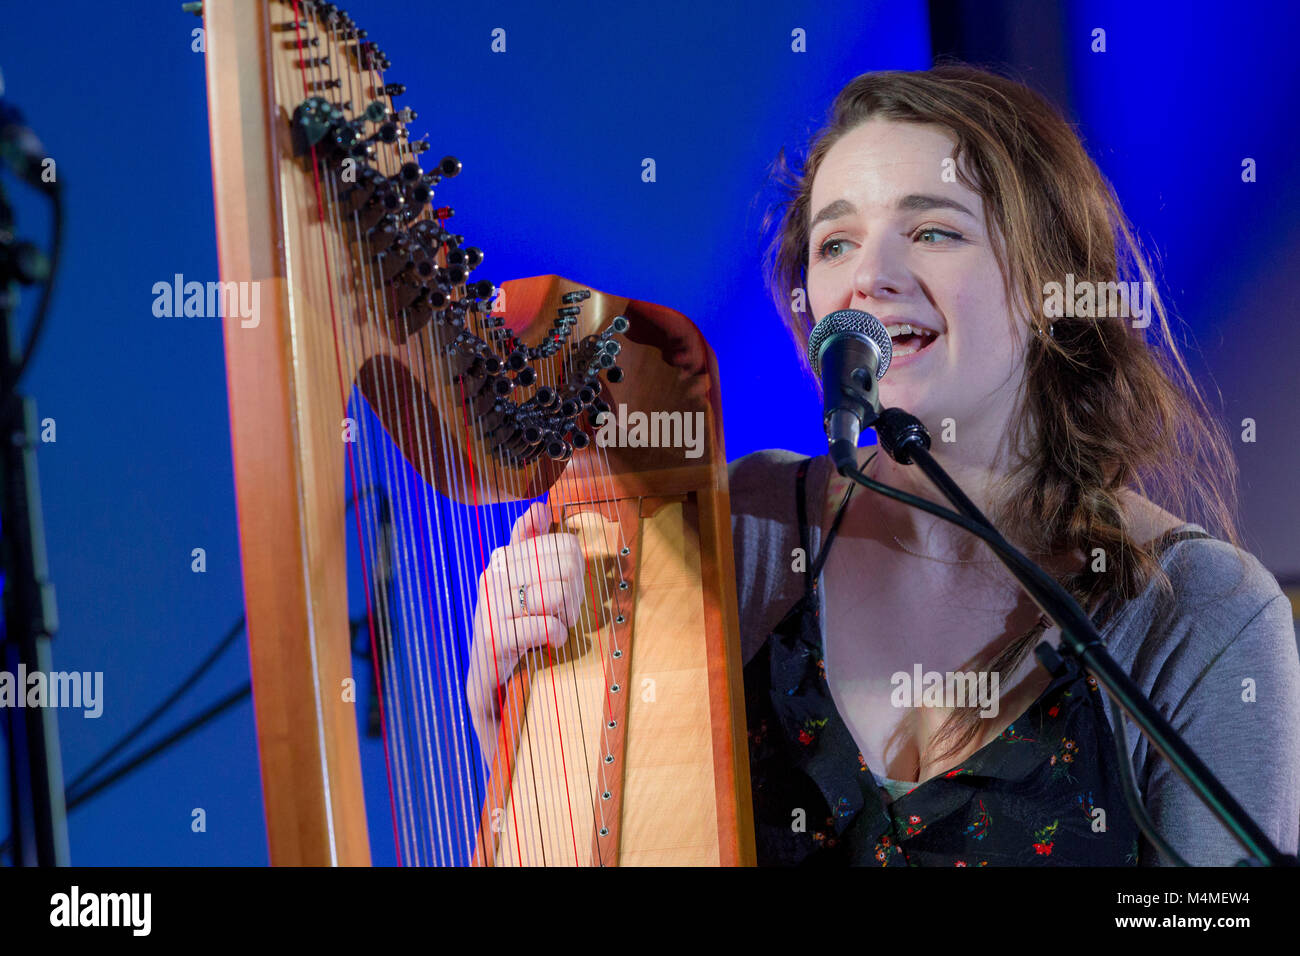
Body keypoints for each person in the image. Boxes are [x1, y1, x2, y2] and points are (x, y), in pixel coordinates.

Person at [469, 64, 1300, 867]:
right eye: (836, 243)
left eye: (933, 229)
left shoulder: (1200, 608)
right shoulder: (742, 533)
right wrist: (508, 714)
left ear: (1050, 282)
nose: (869, 276)